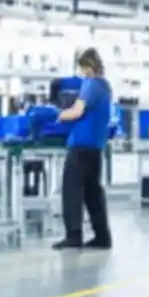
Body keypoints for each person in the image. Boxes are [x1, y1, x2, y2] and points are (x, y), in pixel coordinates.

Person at [53, 48, 112, 250]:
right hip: (95, 148)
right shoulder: (105, 86)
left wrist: (60, 115)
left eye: (82, 68)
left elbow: (77, 111)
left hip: (80, 148)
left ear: (87, 66)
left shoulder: (92, 84)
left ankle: (73, 236)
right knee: (93, 194)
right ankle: (102, 237)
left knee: (72, 191)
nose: (81, 72)